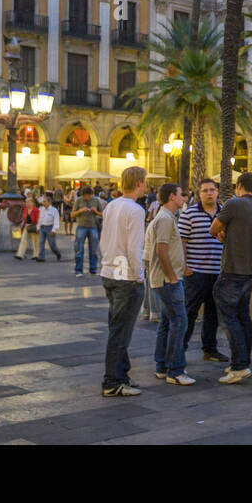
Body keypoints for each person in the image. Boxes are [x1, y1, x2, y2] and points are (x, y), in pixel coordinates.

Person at [210, 172, 252, 385]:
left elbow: (213, 229)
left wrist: (221, 233)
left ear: (239, 185)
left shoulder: (233, 204)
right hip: (249, 269)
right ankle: (242, 361)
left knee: (229, 318)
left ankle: (239, 366)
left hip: (232, 269)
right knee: (243, 318)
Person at [100, 167, 149, 397]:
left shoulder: (112, 205)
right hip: (126, 277)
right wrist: (139, 275)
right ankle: (112, 381)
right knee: (121, 331)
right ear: (139, 183)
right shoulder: (136, 210)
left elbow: (104, 239)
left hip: (109, 271)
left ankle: (122, 373)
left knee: (116, 325)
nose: (147, 185)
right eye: (145, 182)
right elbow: (134, 247)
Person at [147, 183, 194, 386]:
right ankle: (175, 370)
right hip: (168, 281)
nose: (184, 197)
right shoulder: (165, 219)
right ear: (172, 197)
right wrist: (173, 277)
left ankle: (162, 365)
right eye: (181, 194)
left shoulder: (167, 217)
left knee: (167, 322)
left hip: (166, 279)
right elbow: (161, 250)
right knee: (179, 322)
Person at [179, 178, 227, 363]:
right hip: (196, 272)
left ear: (217, 192)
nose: (209, 193)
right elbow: (181, 241)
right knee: (189, 312)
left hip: (218, 272)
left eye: (212, 190)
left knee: (213, 313)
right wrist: (184, 266)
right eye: (205, 190)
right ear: (199, 194)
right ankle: (180, 349)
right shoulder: (189, 214)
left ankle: (210, 349)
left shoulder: (224, 213)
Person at [72, 186, 104, 276]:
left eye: (90, 195)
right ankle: (78, 270)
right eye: (87, 195)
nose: (89, 197)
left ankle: (93, 270)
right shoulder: (79, 200)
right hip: (81, 226)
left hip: (93, 226)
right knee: (79, 249)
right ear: (83, 195)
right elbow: (72, 214)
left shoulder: (96, 201)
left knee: (93, 249)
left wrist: (96, 211)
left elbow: (103, 214)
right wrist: (80, 211)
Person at [36, 192, 63, 262]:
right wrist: (38, 227)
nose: (43, 203)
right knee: (41, 242)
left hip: (50, 228)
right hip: (42, 227)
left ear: (49, 202)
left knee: (52, 244)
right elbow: (40, 218)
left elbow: (56, 220)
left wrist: (54, 229)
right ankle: (41, 257)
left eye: (45, 202)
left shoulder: (54, 210)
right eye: (43, 201)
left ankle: (58, 253)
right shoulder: (41, 209)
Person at [15, 192, 41, 260]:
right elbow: (24, 218)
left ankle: (36, 255)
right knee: (23, 240)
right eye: (26, 202)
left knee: (35, 241)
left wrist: (38, 228)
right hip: (27, 226)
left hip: (34, 226)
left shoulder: (36, 210)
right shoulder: (25, 209)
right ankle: (20, 254)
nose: (27, 204)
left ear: (32, 203)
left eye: (28, 202)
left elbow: (38, 219)